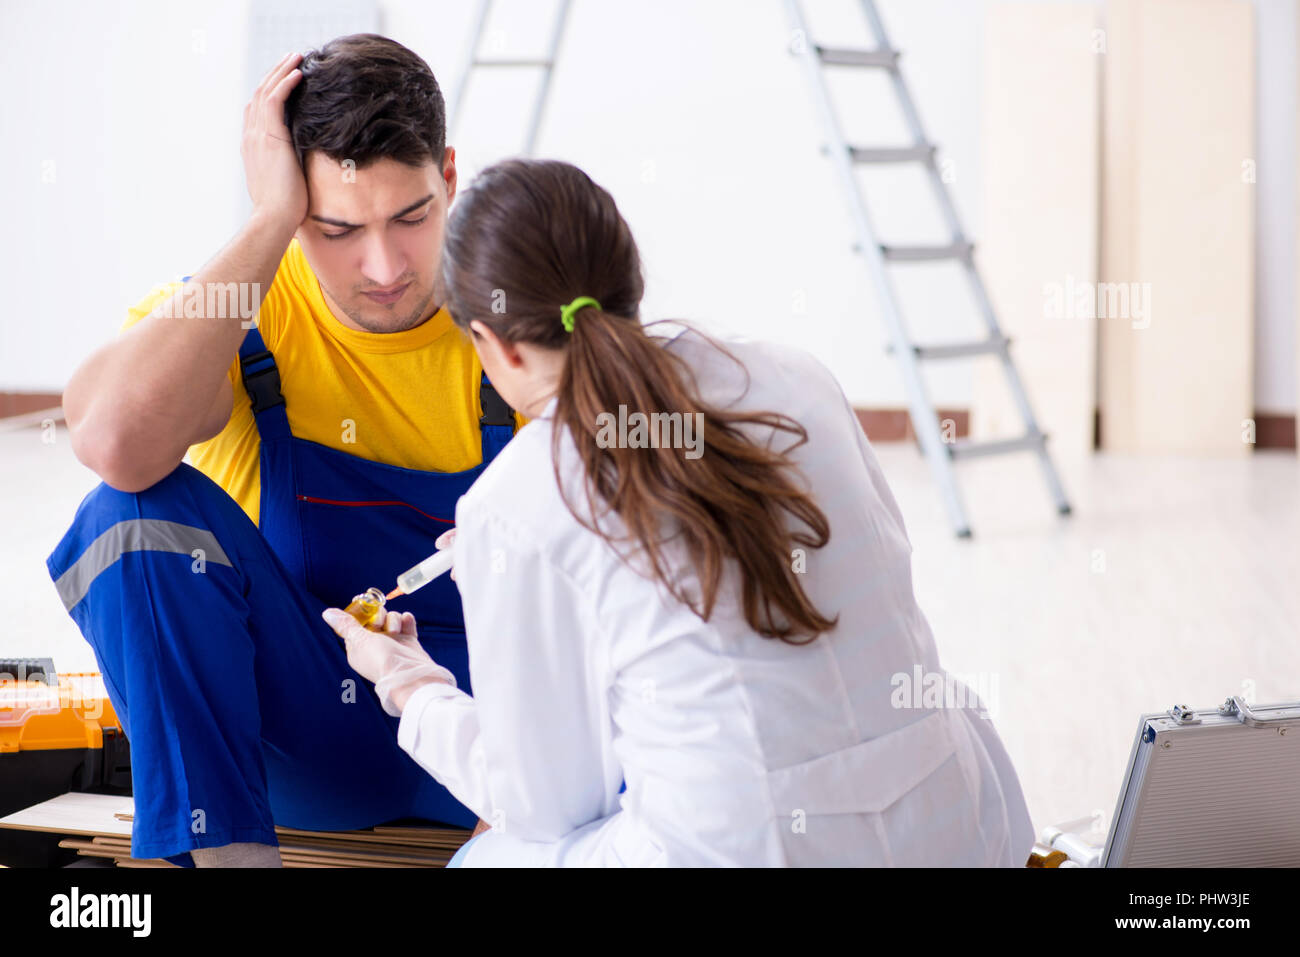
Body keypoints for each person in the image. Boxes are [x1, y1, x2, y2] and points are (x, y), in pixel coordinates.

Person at [322, 158, 1036, 866]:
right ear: (630, 280)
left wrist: (412, 687)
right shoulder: (795, 374)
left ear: (493, 344)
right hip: (960, 830)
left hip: (753, 851)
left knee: (488, 860)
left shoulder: (519, 499)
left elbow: (545, 806)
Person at [46, 35, 516, 867]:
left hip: (492, 741)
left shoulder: (517, 320)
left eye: (411, 217)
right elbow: (114, 440)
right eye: (336, 227)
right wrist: (269, 222)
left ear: (449, 179)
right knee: (128, 515)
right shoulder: (243, 307)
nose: (382, 266)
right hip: (309, 741)